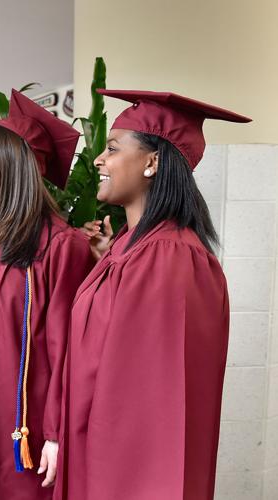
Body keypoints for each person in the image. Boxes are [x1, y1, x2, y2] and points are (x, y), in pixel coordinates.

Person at [55, 90, 251, 500]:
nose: (98, 160)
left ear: (152, 161)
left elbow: (147, 404)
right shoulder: (131, 248)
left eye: (111, 148)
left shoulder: (168, 257)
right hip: (94, 450)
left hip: (126, 475)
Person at [0, 90, 92, 500]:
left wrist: (58, 436)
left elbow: (67, 351)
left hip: (19, 426)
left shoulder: (60, 245)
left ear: (16, 160)